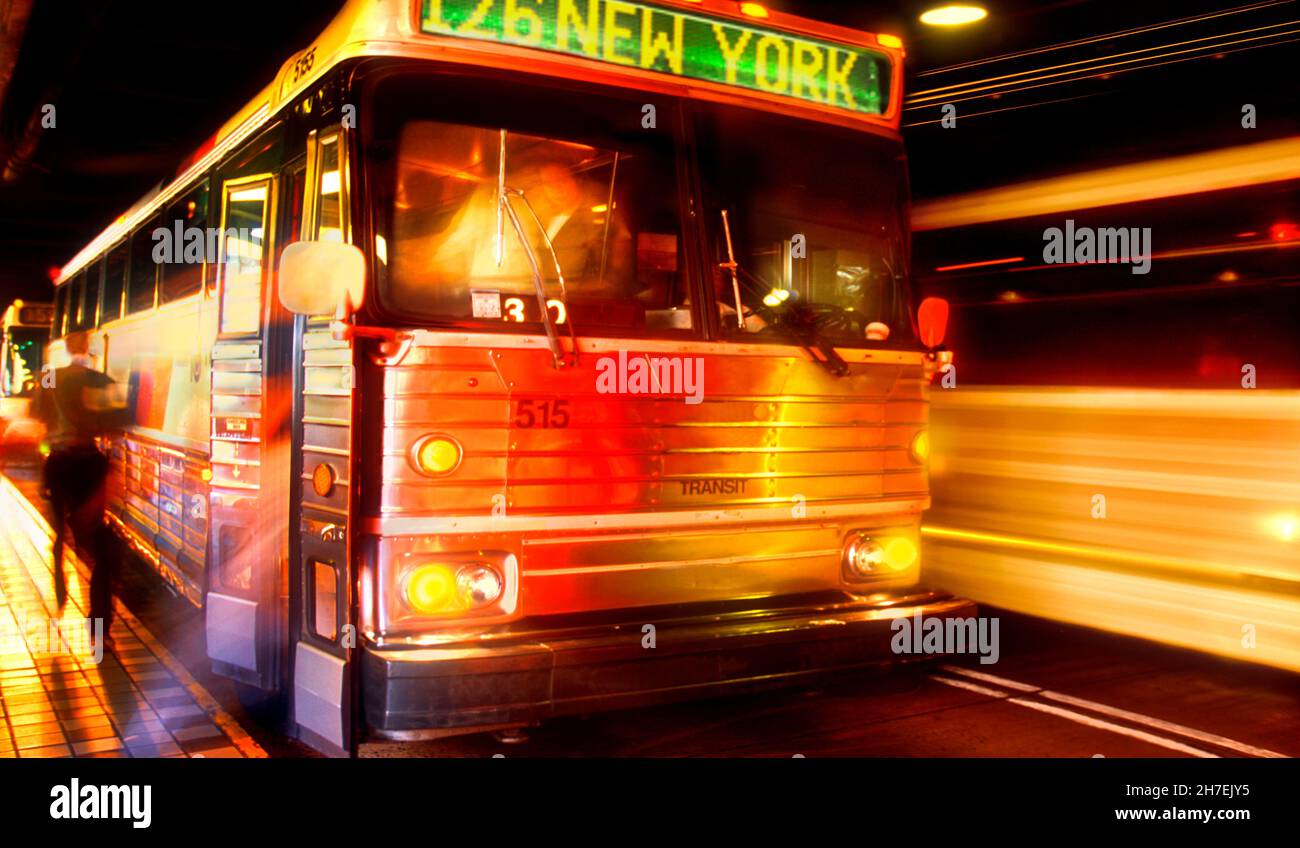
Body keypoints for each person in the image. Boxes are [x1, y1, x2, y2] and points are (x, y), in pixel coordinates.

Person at [30, 330, 124, 651]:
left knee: (58, 531)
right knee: (101, 552)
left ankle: (59, 578)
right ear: (88, 348)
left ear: (66, 349)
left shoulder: (50, 377)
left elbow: (37, 411)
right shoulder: (99, 378)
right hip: (87, 463)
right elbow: (115, 420)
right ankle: (100, 629)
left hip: (56, 463)